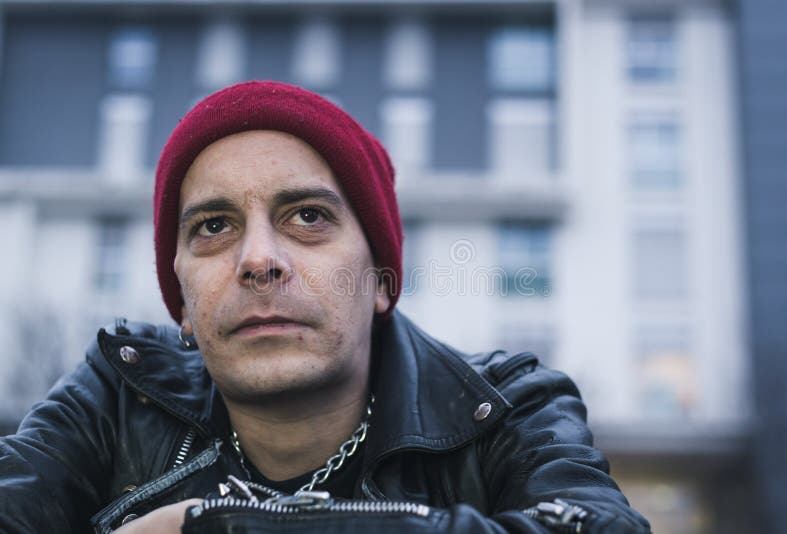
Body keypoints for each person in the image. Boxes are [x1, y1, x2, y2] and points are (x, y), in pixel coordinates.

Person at [0, 80, 650, 533]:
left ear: (380, 281)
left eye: (307, 216)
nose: (258, 259)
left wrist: (226, 529)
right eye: (214, 227)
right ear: (183, 305)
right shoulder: (121, 395)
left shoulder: (501, 406)